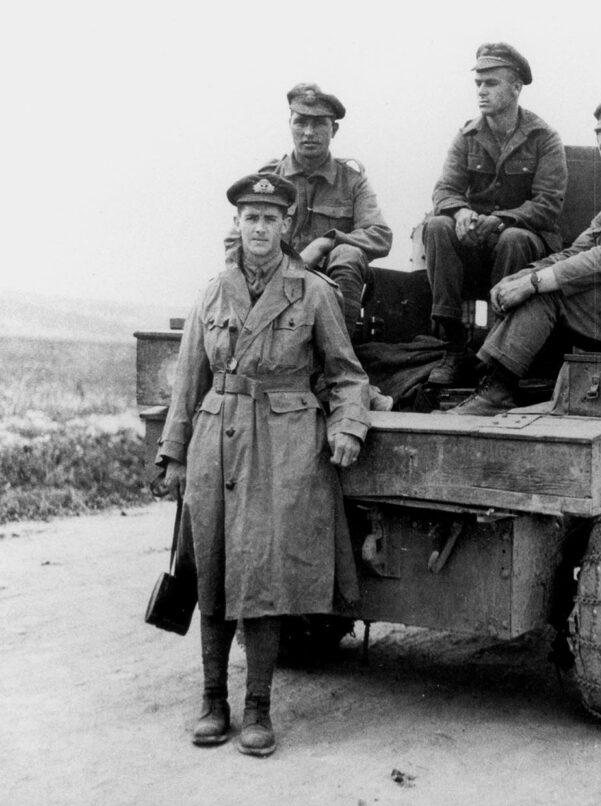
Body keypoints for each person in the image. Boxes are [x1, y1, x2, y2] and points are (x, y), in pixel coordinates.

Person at [159, 173, 371, 757]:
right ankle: (212, 702)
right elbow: (188, 382)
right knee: (212, 569)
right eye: (249, 216)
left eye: (269, 217)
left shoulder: (313, 291)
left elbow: (347, 374)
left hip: (284, 445)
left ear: (285, 226)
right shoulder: (211, 292)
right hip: (215, 439)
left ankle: (257, 708)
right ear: (238, 225)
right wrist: (174, 453)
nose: (258, 226)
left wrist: (347, 426)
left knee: (265, 574)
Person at [446, 99, 601, 416]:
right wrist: (520, 277)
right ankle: (495, 380)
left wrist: (534, 282)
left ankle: (497, 392)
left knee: (550, 292)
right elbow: (576, 252)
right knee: (544, 283)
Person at [424, 42, 568, 386]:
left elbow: (548, 203)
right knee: (437, 227)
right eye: (478, 84)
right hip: (475, 241)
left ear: (516, 87)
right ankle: (454, 348)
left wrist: (502, 219)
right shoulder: (467, 135)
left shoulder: (543, 138)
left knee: (513, 239)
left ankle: (496, 354)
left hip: (525, 243)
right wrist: (459, 212)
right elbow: (444, 189)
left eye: (491, 83)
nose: (482, 91)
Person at [226, 83, 393, 340]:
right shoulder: (270, 178)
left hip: (330, 291)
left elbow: (380, 235)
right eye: (301, 122)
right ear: (289, 124)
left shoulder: (352, 181)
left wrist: (326, 242)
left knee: (348, 253)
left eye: (319, 124)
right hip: (276, 284)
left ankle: (339, 359)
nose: (308, 132)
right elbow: (236, 238)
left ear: (333, 129)